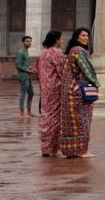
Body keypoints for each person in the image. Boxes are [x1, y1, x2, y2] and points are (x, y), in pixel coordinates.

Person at [61, 28, 97, 158]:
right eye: (83, 35)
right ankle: (82, 150)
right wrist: (96, 83)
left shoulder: (72, 51)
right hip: (77, 92)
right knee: (82, 120)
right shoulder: (78, 51)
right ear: (77, 37)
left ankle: (72, 149)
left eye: (87, 35)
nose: (86, 38)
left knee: (72, 121)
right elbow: (87, 70)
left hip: (69, 90)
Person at [33, 30, 67, 157]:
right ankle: (53, 147)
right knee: (55, 118)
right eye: (61, 39)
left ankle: (46, 147)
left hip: (45, 90)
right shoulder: (56, 53)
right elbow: (62, 71)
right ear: (56, 40)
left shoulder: (42, 54)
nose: (62, 41)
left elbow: (38, 72)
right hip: (56, 89)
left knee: (46, 116)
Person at [14, 35, 35, 118]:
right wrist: (28, 70)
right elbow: (18, 65)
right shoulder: (20, 52)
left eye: (30, 41)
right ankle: (22, 112)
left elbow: (24, 64)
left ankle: (29, 111)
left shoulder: (26, 51)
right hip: (23, 75)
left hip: (27, 75)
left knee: (31, 93)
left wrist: (31, 68)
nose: (29, 43)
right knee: (23, 93)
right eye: (27, 41)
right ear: (23, 42)